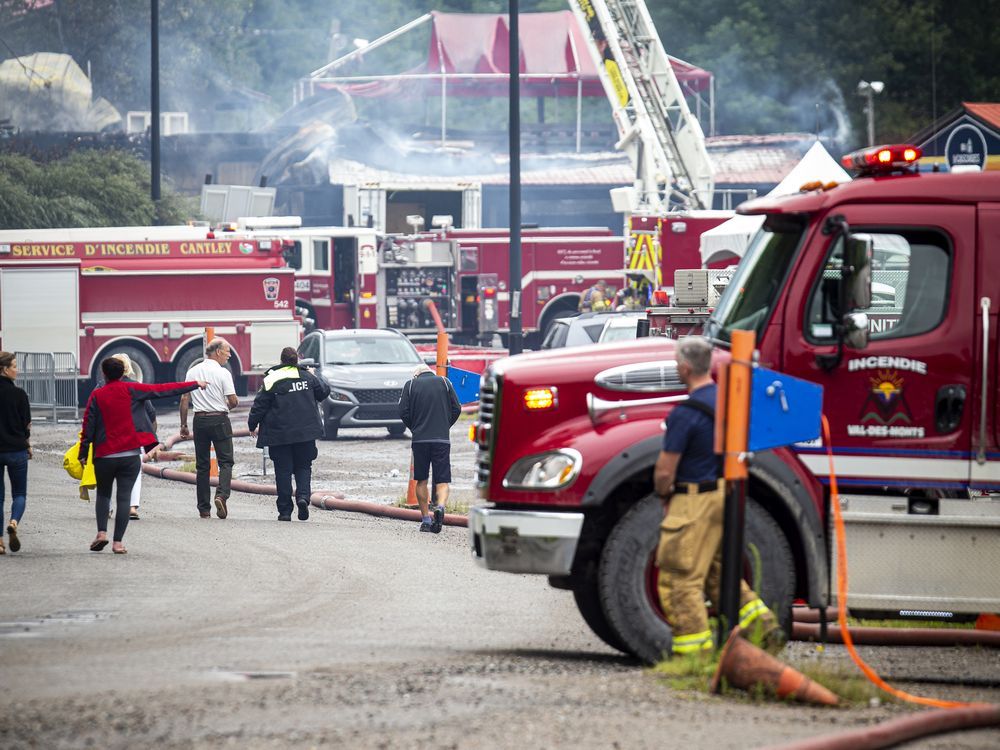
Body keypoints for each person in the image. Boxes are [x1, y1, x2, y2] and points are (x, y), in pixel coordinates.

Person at [652, 336, 782, 656]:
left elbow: (666, 471)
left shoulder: (685, 413)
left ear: (684, 368)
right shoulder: (728, 402)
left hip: (692, 502)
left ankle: (694, 656)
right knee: (719, 576)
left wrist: (662, 492)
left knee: (678, 580)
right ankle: (764, 629)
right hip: (726, 496)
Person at [80, 357, 202, 554]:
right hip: (129, 454)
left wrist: (83, 452)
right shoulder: (132, 390)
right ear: (123, 373)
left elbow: (88, 424)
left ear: (103, 374)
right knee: (124, 498)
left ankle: (102, 532)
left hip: (104, 455)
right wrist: (195, 384)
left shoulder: (97, 394)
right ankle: (118, 542)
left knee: (103, 494)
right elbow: (163, 389)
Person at [247, 347, 330, 522]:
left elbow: (259, 405)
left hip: (280, 435)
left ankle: (285, 511)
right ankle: (303, 498)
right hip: (305, 433)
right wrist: (315, 375)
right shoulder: (307, 376)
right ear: (297, 360)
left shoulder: (271, 379)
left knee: (283, 472)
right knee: (303, 467)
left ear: (281, 360)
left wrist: (252, 424)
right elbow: (323, 392)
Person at [179, 339, 238, 519]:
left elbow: (184, 399)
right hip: (219, 419)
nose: (229, 355)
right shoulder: (223, 373)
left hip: (199, 420)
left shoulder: (192, 371)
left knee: (202, 466)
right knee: (226, 462)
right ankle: (221, 495)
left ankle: (204, 509)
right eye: (227, 352)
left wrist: (184, 425)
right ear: (218, 352)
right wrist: (224, 408)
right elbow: (234, 400)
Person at [398, 363, 461, 533]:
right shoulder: (444, 382)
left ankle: (426, 519)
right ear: (430, 372)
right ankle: (440, 506)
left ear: (416, 375)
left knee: (421, 480)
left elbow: (403, 412)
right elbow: (457, 408)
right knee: (442, 480)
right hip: (441, 440)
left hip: (420, 441)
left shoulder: (410, 385)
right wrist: (444, 426)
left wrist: (415, 428)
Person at [112, 353, 161, 520]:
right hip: (133, 437)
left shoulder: (101, 387)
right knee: (134, 471)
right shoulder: (136, 387)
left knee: (108, 474)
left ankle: (109, 507)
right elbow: (151, 412)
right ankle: (132, 507)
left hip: (109, 438)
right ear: (128, 368)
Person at [0, 352, 31, 555]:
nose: (16, 369)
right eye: (13, 366)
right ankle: (13, 522)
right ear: (4, 369)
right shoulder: (19, 394)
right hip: (17, 450)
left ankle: (0, 542)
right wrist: (27, 443)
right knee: (19, 493)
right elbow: (26, 424)